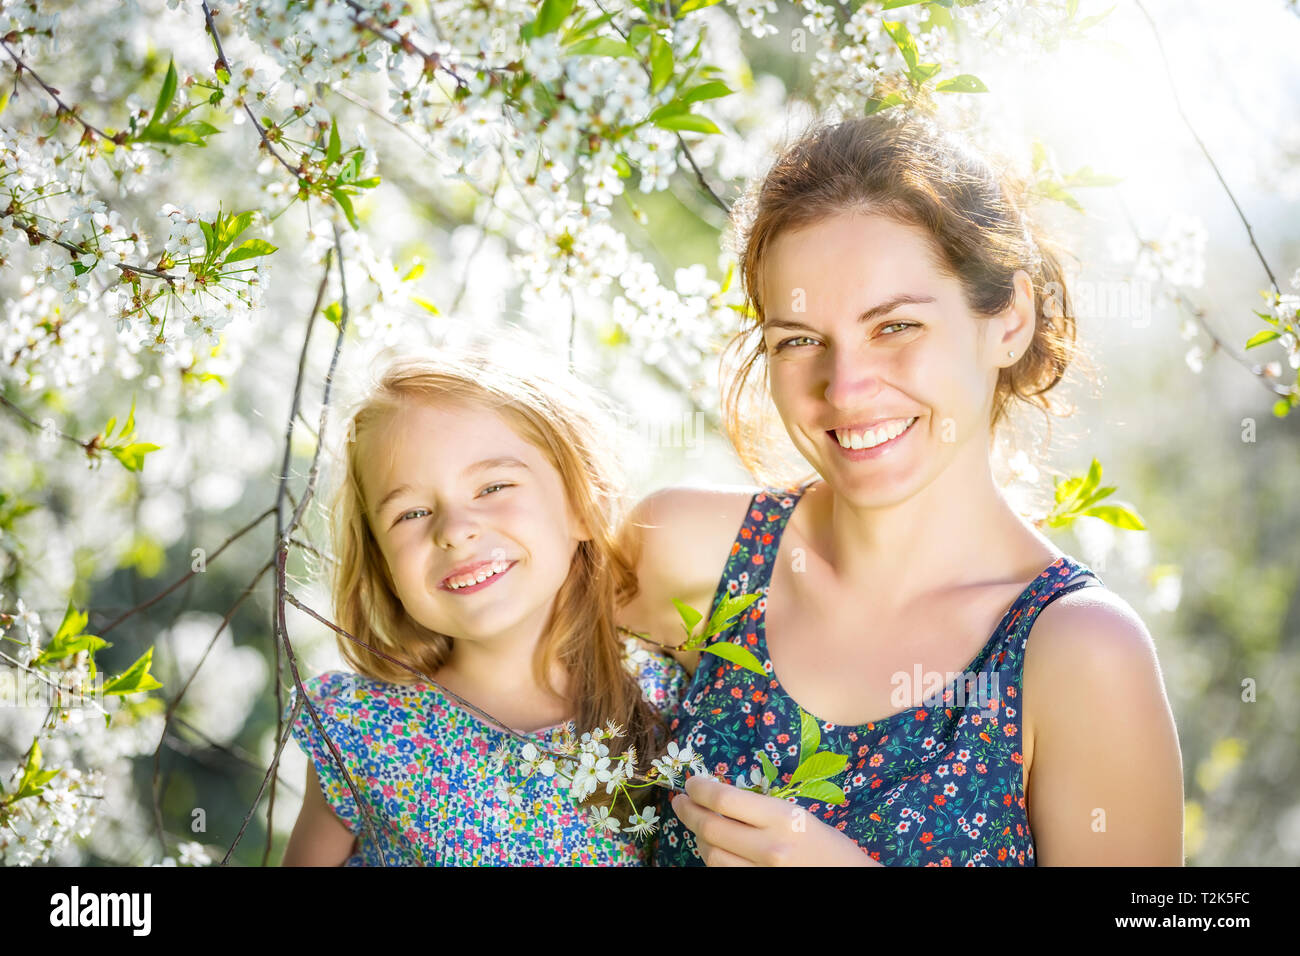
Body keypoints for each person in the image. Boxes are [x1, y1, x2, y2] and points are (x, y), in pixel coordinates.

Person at [617, 111, 1184, 866]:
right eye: (799, 340)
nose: (845, 388)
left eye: (895, 327)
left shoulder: (1080, 657)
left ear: (1008, 319)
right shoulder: (685, 555)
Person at [281, 347, 685, 865]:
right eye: (412, 513)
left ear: (583, 506)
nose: (454, 530)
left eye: (493, 487)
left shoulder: (664, 704)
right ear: (383, 565)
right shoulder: (363, 727)